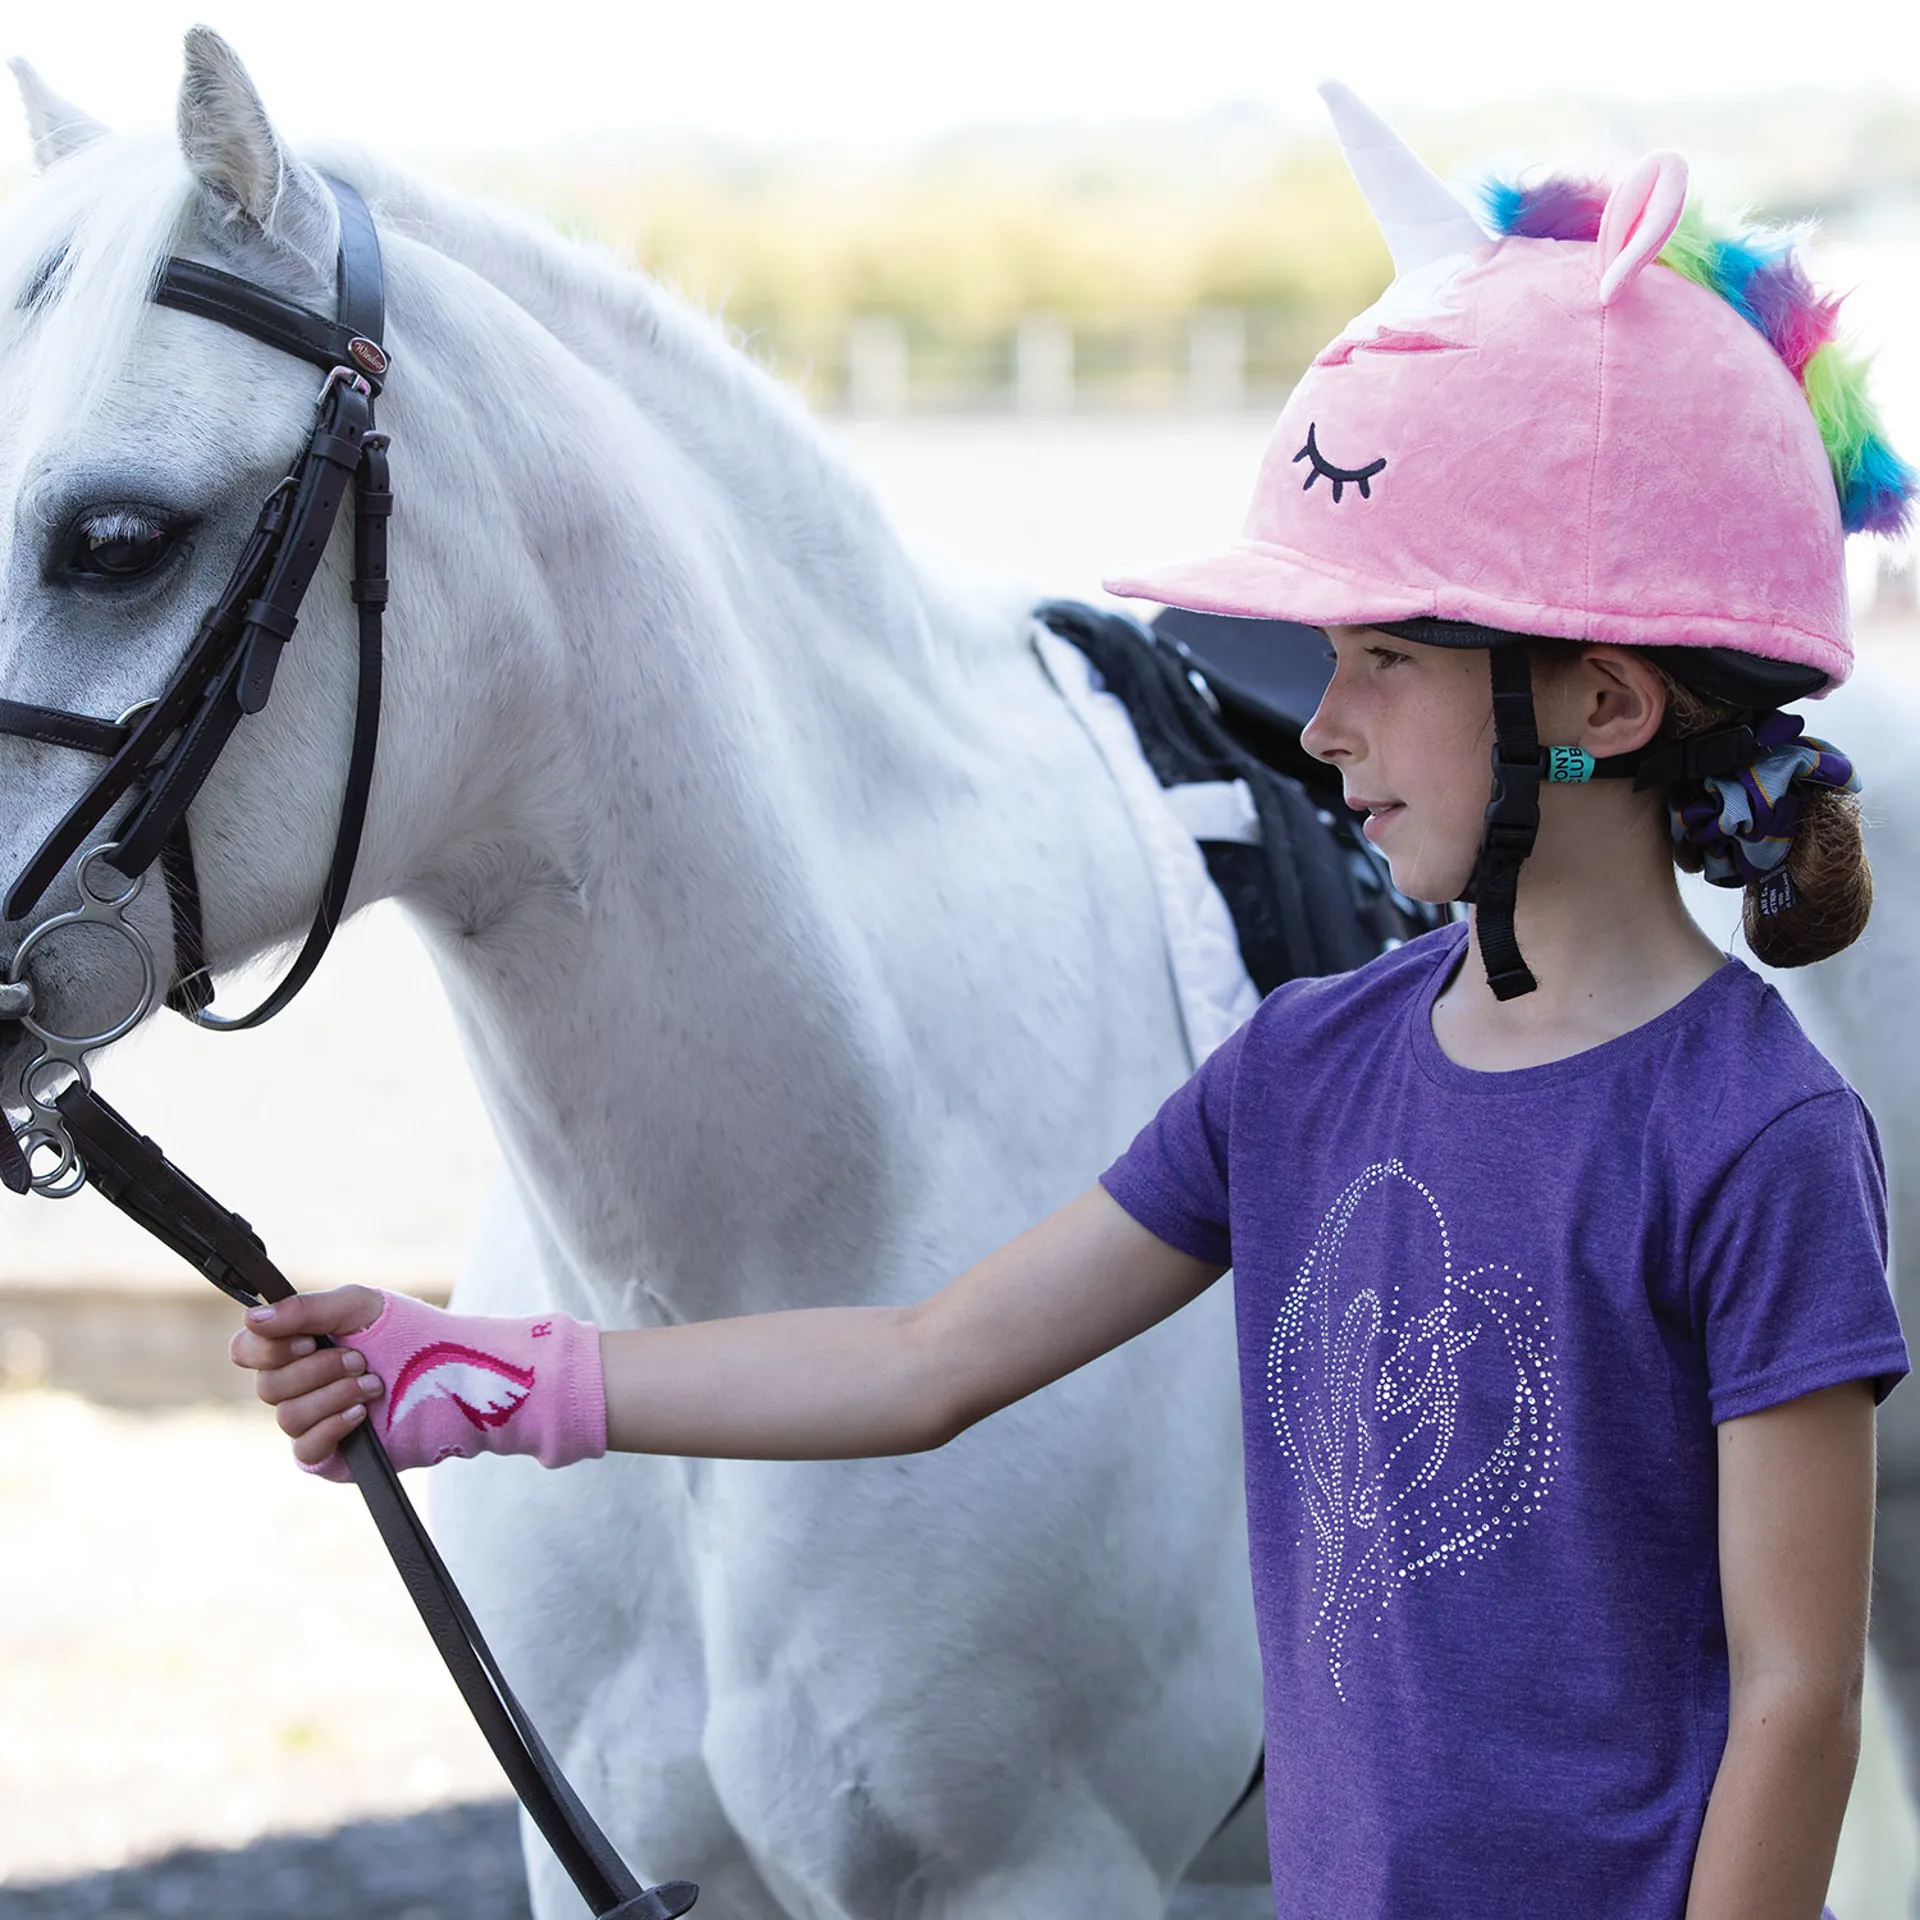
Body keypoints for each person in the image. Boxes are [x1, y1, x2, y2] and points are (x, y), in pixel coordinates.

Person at [232, 86, 1913, 1920]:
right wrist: (481, 1377)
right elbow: (923, 1360)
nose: (1321, 720)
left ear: (1601, 704)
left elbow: (1801, 1692)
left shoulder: (1758, 1135)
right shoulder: (1303, 1067)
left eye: (1387, 658)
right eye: (1325, 659)